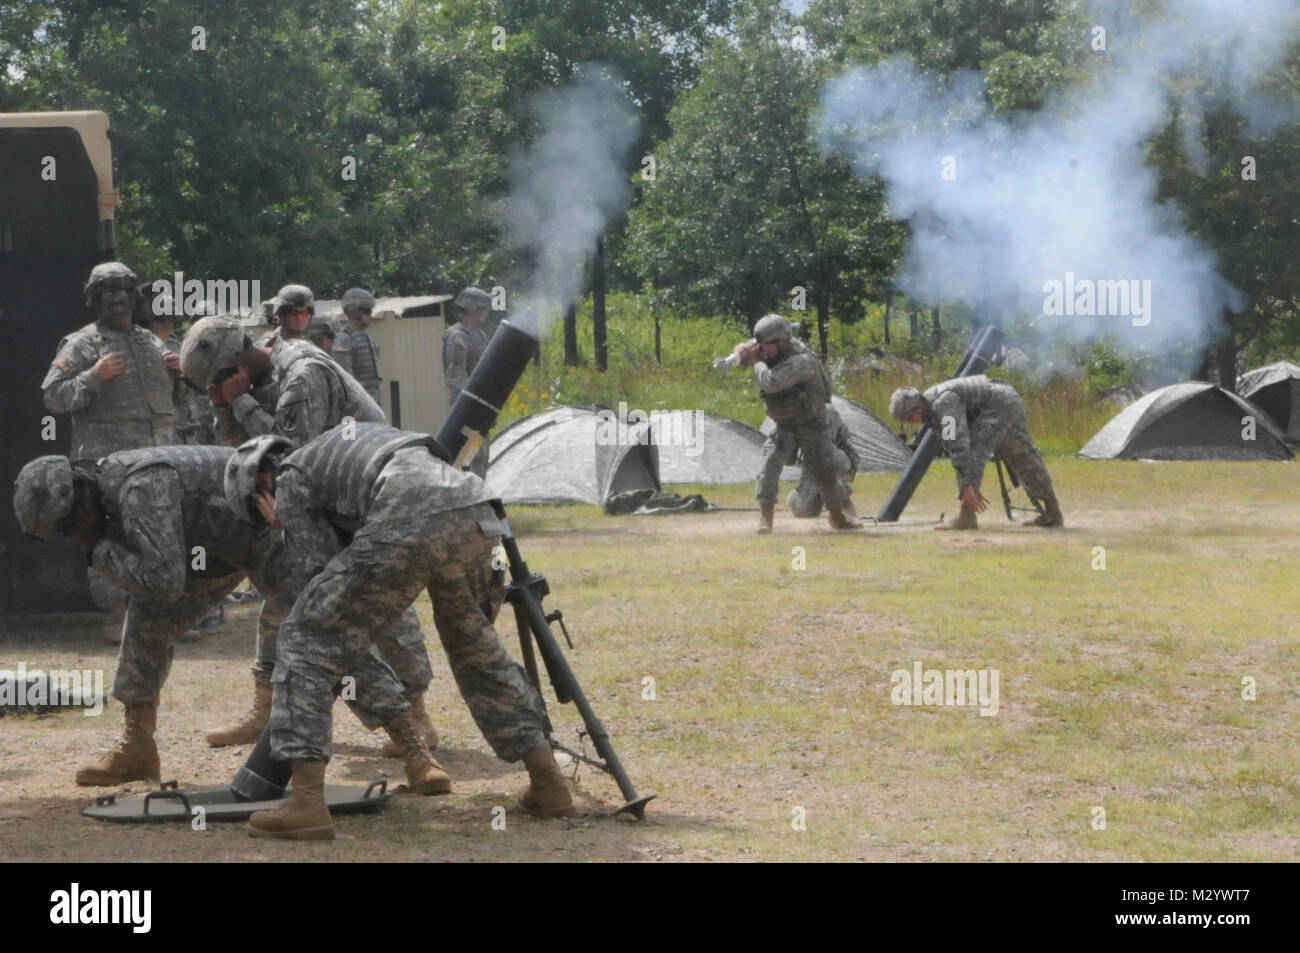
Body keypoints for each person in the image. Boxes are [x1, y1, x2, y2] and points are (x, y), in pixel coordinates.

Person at [11, 448, 444, 793]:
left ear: (80, 498)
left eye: (70, 527)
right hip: (211, 552)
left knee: (326, 632)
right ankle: (137, 748)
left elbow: (164, 579)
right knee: (147, 620)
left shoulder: (139, 488)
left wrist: (98, 549)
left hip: (268, 538)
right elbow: (162, 582)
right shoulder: (108, 493)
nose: (74, 536)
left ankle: (415, 754)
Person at [226, 425, 576, 839]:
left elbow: (316, 578)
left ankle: (306, 802)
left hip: (408, 514)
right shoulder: (344, 451)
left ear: (262, 485)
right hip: (475, 510)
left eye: (260, 513)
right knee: (476, 649)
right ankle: (548, 781)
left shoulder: (292, 478)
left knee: (305, 638)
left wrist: (285, 522)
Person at [180, 315, 439, 753]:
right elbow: (241, 452)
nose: (216, 392)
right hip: (323, 500)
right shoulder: (254, 374)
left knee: (382, 604)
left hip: (369, 495)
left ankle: (416, 715)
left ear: (238, 362)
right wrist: (225, 406)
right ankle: (265, 711)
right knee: (283, 592)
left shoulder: (302, 373)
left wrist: (240, 402)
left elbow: (292, 454)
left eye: (218, 382)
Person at [42, 262, 182, 642]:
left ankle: (160, 614)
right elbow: (53, 395)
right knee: (109, 534)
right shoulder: (83, 343)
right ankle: (115, 615)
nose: (117, 300)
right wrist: (93, 376)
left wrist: (179, 375)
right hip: (106, 462)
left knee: (160, 535)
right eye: (107, 294)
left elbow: (172, 404)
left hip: (158, 459)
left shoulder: (152, 342)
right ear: (94, 300)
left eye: (123, 294)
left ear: (134, 298)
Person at [731, 314, 860, 533]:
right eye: (761, 346)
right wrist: (740, 352)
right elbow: (746, 360)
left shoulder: (801, 361)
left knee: (823, 472)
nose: (764, 350)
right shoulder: (771, 350)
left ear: (783, 341)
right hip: (784, 423)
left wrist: (755, 361)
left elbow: (771, 382)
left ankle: (838, 516)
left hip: (812, 422)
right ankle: (766, 518)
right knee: (770, 463)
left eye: (768, 345)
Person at [889, 376, 1064, 530]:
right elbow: (951, 446)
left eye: (909, 418)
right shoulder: (932, 407)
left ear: (916, 408)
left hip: (1000, 403)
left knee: (980, 451)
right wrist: (971, 484)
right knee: (1023, 457)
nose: (912, 423)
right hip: (1005, 400)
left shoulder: (943, 403)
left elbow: (959, 443)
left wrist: (967, 487)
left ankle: (967, 516)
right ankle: (1053, 512)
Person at [442, 286, 493, 477]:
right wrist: (467, 410)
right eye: (484, 309)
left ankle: (478, 496)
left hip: (481, 410)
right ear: (473, 309)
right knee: (467, 458)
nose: (487, 313)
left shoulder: (479, 335)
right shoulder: (458, 336)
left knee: (479, 456)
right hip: (468, 411)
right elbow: (456, 378)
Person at [785, 404, 859, 519]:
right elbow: (789, 460)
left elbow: (824, 446)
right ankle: (826, 494)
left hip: (840, 460)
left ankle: (841, 496)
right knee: (802, 509)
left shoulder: (823, 410)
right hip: (819, 463)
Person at [332, 287, 383, 405]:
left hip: (372, 400)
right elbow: (344, 378)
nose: (371, 315)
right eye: (367, 311)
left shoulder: (365, 336)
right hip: (358, 404)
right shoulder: (344, 339)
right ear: (354, 312)